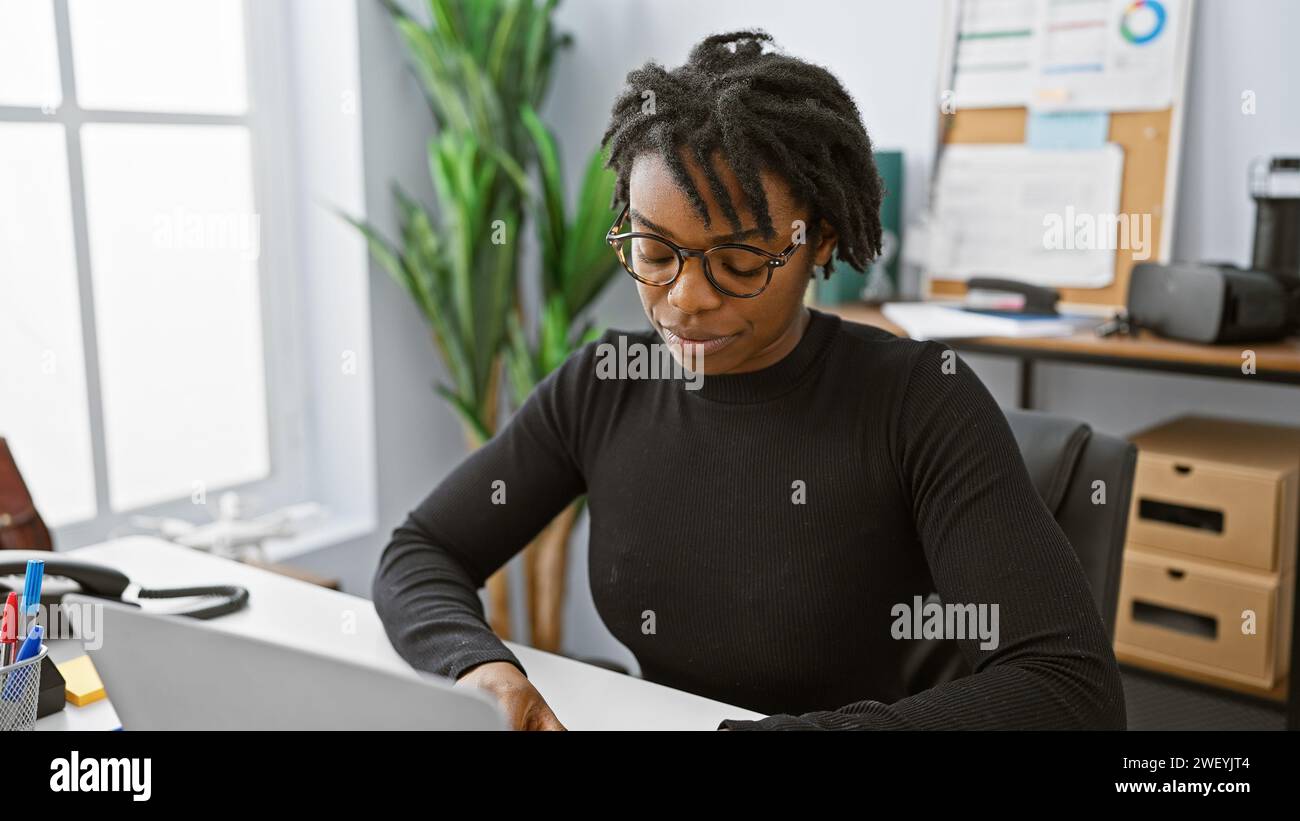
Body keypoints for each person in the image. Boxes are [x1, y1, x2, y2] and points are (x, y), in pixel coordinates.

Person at [372, 29, 1127, 731]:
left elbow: (1068, 687)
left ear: (818, 241)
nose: (686, 299)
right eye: (654, 253)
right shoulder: (605, 382)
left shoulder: (920, 400)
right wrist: (478, 666)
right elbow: (422, 549)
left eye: (738, 263)